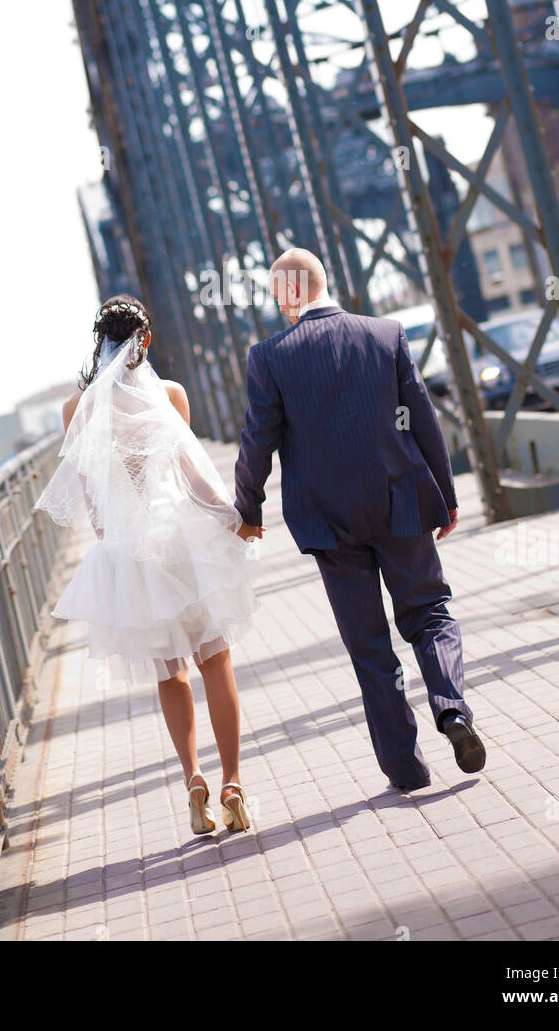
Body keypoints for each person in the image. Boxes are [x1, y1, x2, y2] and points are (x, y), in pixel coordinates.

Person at [234, 249, 485, 793]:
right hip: (401, 504)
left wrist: (248, 509)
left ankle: (405, 767)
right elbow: (423, 417)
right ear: (324, 283)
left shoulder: (269, 357)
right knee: (429, 612)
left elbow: (259, 440)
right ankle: (453, 711)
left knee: (369, 645)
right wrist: (445, 494)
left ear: (286, 295)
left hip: (329, 521)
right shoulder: (385, 333)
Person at [37, 295, 260, 836]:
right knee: (217, 661)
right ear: (146, 340)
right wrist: (236, 519)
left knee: (169, 673)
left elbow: (92, 498)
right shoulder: (170, 395)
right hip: (181, 539)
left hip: (130, 553)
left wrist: (115, 543)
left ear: (100, 341)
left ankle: (193, 780)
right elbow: (190, 469)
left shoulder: (77, 410)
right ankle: (232, 781)